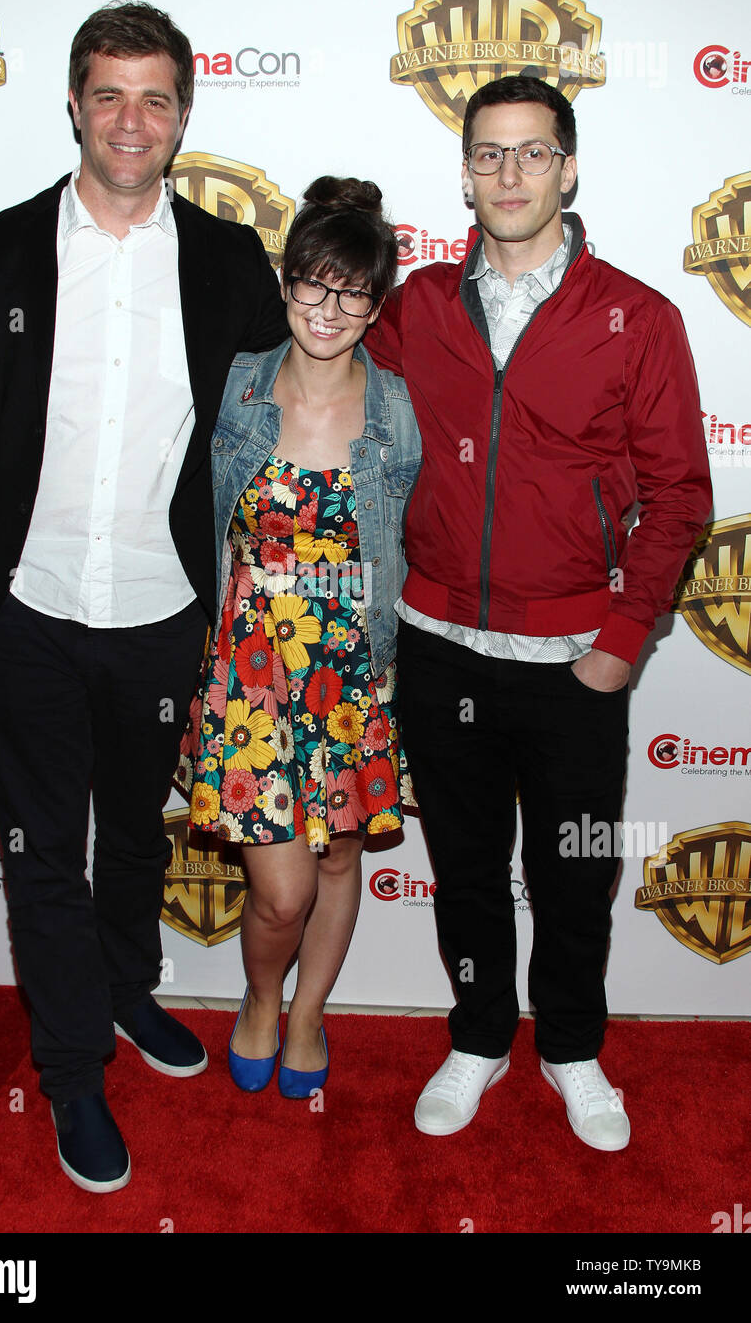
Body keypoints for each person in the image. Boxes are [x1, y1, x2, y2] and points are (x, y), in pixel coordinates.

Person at [0, 1, 288, 1193]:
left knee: (136, 832)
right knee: (42, 853)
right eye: (108, 93)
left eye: (155, 97)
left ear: (184, 114)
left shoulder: (231, 263)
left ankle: (127, 987)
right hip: (26, 611)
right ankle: (72, 1067)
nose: (130, 120)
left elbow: (264, 439)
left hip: (164, 611)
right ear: (74, 104)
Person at [365, 75, 711, 1150]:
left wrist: (619, 642)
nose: (506, 174)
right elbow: (344, 425)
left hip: (573, 660)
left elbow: (680, 493)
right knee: (463, 870)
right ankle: (475, 1036)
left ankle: (568, 1045)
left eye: (529, 153)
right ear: (463, 172)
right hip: (437, 650)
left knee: (572, 870)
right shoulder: (414, 307)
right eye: (486, 154)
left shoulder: (637, 317)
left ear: (566, 167)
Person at [178, 177, 421, 1096]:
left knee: (340, 858)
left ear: (376, 302)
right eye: (314, 285)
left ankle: (310, 1016)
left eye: (353, 290)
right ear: (284, 286)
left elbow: (416, 540)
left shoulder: (398, 408)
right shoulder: (236, 383)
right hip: (249, 665)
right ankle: (259, 999)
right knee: (281, 887)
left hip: (354, 664)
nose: (330, 309)